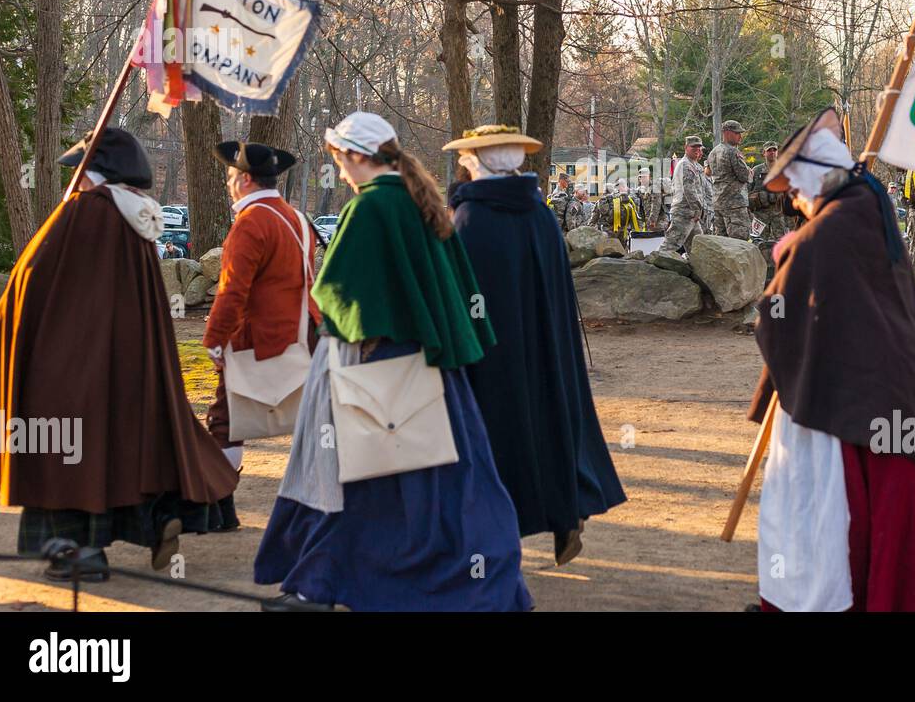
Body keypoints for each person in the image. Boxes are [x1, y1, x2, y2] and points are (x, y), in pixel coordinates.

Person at [254, 112, 531, 611]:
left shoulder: (374, 208)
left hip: (381, 367)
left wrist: (345, 338)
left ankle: (326, 586)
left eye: (340, 158)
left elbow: (339, 291)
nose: (338, 169)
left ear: (358, 156)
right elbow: (452, 287)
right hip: (429, 367)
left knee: (359, 481)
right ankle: (485, 581)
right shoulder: (417, 201)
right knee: (442, 483)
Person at [0, 128, 237, 582]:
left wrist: (14, 339)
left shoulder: (83, 214)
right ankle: (158, 520)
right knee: (121, 447)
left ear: (94, 174)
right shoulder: (135, 222)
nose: (72, 180)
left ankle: (80, 552)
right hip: (127, 365)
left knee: (64, 452)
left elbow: (31, 285)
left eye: (78, 172)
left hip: (69, 369)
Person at [747, 107, 915, 612]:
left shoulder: (827, 231)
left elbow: (775, 317)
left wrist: (789, 262)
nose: (796, 202)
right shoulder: (870, 213)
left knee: (843, 552)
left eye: (797, 191)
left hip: (860, 423)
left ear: (812, 180)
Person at [444, 123, 627, 565]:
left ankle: (491, 534)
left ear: (480, 161)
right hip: (548, 350)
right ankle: (565, 510)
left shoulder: (471, 220)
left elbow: (462, 298)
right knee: (551, 423)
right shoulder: (540, 213)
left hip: (491, 355)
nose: (464, 164)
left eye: (469, 157)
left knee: (493, 434)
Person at [202, 141, 320, 531]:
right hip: (301, 335)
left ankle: (218, 509)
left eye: (230, 176)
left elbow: (233, 289)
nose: (227, 183)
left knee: (225, 423)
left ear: (245, 179)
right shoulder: (297, 218)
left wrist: (215, 338)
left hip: (261, 338)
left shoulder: (251, 221)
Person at [710, 119, 753, 239]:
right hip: (734, 204)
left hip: (718, 204)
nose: (740, 136)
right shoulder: (733, 151)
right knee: (739, 242)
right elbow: (744, 176)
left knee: (721, 243)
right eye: (737, 133)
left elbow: (709, 173)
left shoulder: (713, 152)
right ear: (727, 133)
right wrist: (750, 172)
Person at [663, 136, 706, 254]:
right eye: (693, 147)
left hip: (691, 214)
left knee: (698, 249)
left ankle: (696, 271)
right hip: (684, 213)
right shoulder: (685, 165)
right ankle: (652, 270)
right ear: (686, 148)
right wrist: (698, 210)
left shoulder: (695, 166)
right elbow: (689, 191)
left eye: (699, 147)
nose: (697, 149)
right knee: (670, 245)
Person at [749, 142, 791, 242]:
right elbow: (748, 190)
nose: (772, 152)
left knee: (781, 243)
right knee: (758, 242)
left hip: (779, 215)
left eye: (774, 150)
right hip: (760, 215)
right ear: (764, 153)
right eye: (769, 150)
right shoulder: (757, 170)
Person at [591, 177, 641, 247]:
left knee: (609, 250)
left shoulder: (602, 201)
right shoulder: (626, 200)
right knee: (622, 251)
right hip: (623, 231)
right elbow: (634, 216)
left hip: (608, 231)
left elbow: (594, 218)